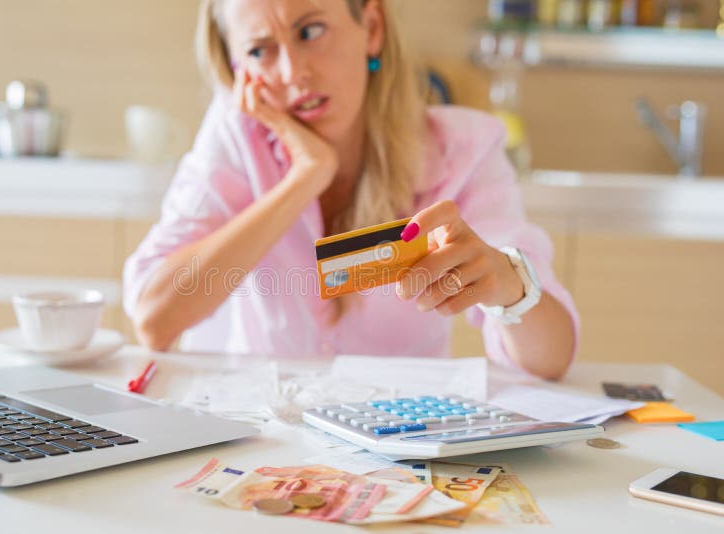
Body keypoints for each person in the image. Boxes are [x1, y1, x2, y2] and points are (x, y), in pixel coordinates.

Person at [123, 0, 579, 380]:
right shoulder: (236, 139)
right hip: (262, 436)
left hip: (398, 441)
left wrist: (507, 283)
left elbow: (550, 362)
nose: (293, 72)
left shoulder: (464, 151)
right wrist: (306, 176)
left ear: (373, 26)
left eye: (311, 31)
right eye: (260, 51)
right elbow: (155, 319)